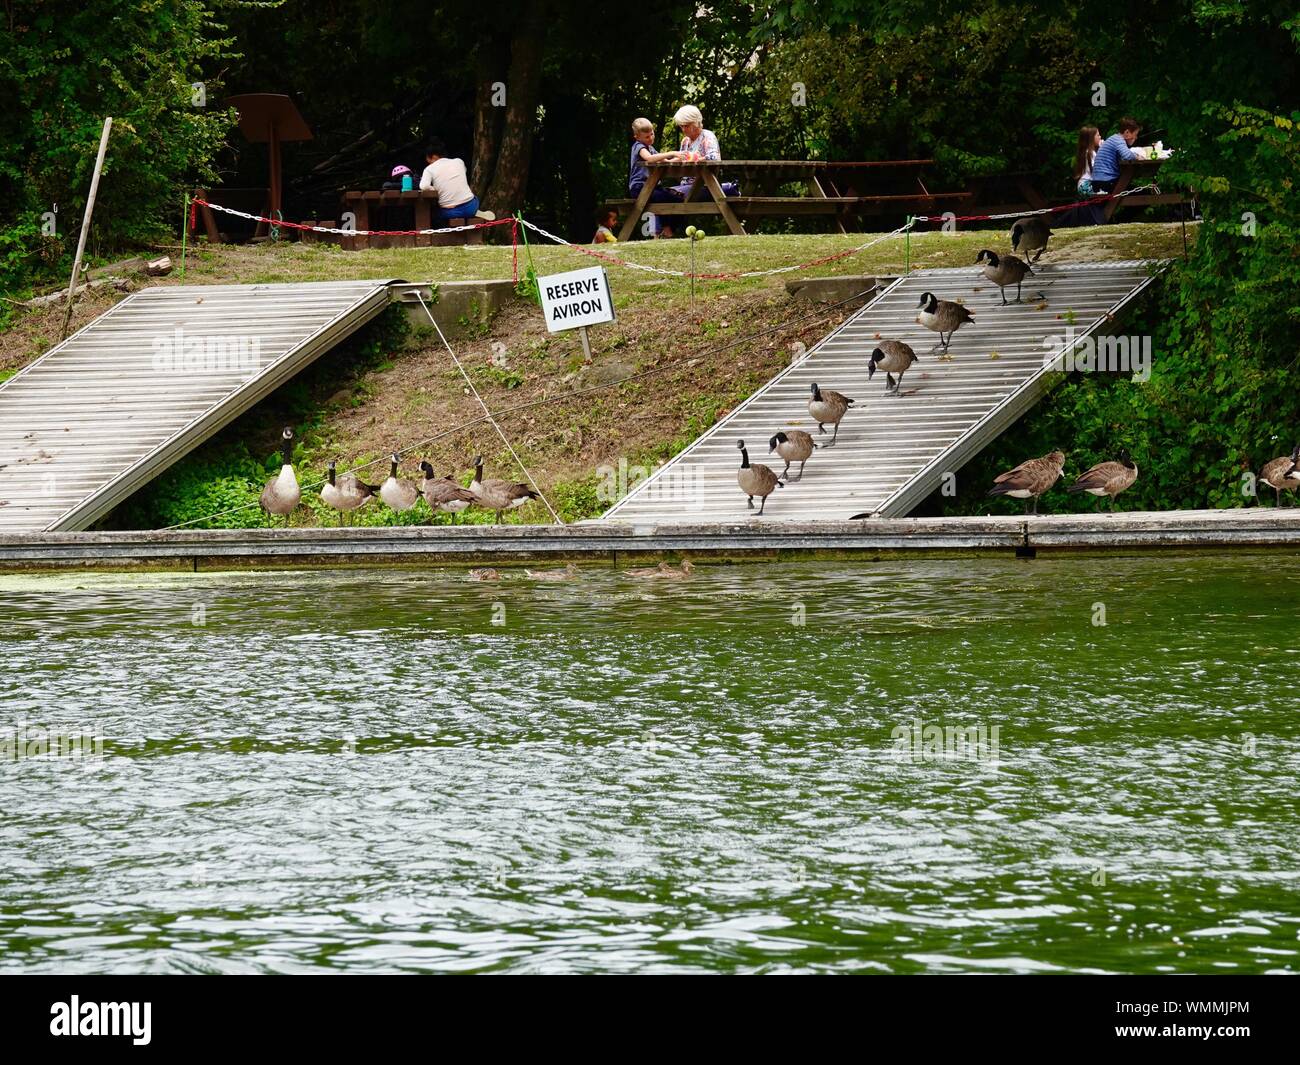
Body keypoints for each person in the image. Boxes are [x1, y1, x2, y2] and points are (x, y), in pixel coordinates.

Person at [628, 117, 684, 238]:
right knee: (663, 199)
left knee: (679, 200)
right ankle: (665, 229)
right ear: (637, 137)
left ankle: (669, 230)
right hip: (639, 188)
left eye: (652, 134)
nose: (651, 138)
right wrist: (672, 153)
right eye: (647, 137)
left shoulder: (651, 148)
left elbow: (664, 161)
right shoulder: (639, 147)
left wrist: (679, 158)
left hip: (653, 188)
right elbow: (649, 158)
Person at [419, 138, 495, 222]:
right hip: (471, 206)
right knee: (474, 198)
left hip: (450, 212)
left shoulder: (429, 169)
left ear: (433, 156)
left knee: (435, 213)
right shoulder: (459, 161)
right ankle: (471, 212)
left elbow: (423, 186)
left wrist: (434, 189)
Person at [671, 105, 739, 197]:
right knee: (665, 193)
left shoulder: (707, 137)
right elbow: (681, 159)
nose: (683, 129)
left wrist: (696, 159)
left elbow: (714, 158)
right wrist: (666, 161)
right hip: (685, 185)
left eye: (686, 126)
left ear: (696, 122)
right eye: (681, 126)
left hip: (705, 185)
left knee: (671, 195)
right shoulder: (685, 141)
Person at [1088, 117, 1142, 223]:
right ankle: (1120, 220)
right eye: (1135, 134)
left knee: (1133, 190)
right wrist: (1137, 156)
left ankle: (1117, 219)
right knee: (1142, 192)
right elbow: (1127, 156)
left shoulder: (1114, 138)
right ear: (1127, 132)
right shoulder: (1118, 141)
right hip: (1105, 182)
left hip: (1100, 181)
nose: (1136, 137)